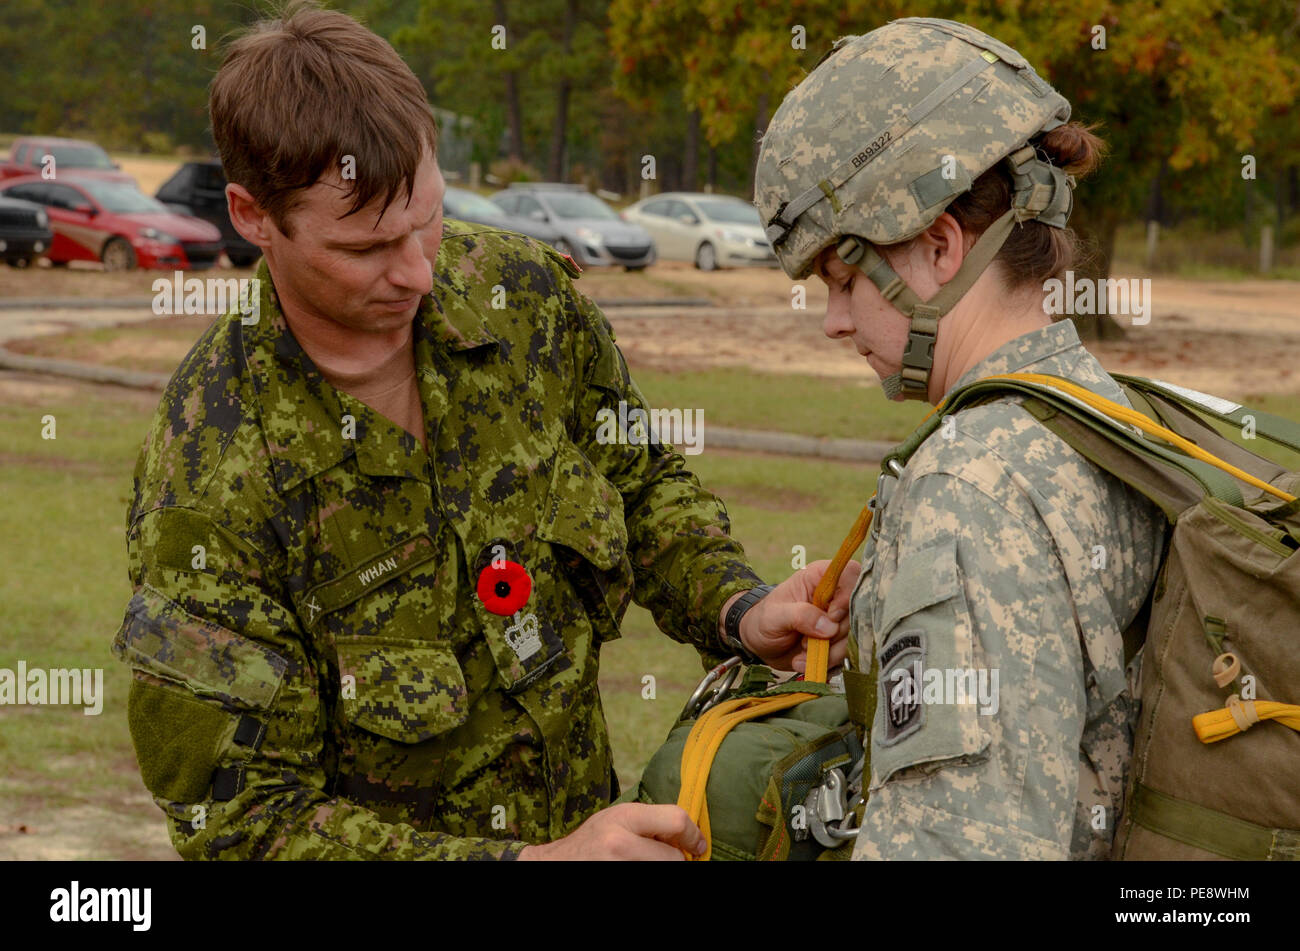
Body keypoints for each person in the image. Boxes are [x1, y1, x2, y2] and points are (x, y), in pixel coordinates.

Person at [112, 1, 859, 861]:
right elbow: (245, 824)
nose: (418, 272)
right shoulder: (210, 472)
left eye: (426, 216)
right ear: (251, 215)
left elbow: (643, 487)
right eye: (365, 248)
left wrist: (739, 606)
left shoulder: (518, 298)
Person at [754, 18, 1166, 859]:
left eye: (843, 279)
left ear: (941, 247)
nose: (834, 322)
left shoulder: (972, 487)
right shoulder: (1106, 413)